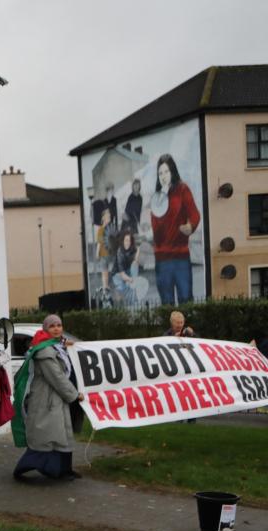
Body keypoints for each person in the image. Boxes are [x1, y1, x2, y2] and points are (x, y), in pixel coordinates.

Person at [13, 315, 84, 481]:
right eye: (52, 326)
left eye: (59, 325)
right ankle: (25, 468)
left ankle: (64, 470)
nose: (57, 328)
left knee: (62, 436)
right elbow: (57, 377)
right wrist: (74, 395)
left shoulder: (57, 346)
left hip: (57, 399)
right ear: (46, 329)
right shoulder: (44, 351)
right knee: (48, 438)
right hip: (47, 400)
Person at [149, 154, 200, 305]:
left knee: (186, 300)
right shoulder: (156, 198)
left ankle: (185, 330)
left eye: (166, 172)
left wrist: (190, 226)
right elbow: (157, 233)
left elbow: (195, 215)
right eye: (160, 173)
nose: (163, 176)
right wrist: (162, 200)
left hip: (181, 257)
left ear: (172, 172)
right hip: (162, 260)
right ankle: (171, 330)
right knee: (167, 303)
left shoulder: (183, 190)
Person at [164, 311, 196, 423]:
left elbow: (199, 345)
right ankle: (179, 419)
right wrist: (173, 339)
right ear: (172, 323)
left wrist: (193, 335)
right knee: (178, 396)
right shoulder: (166, 335)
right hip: (175, 371)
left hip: (188, 369)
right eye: (177, 323)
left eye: (182, 322)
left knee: (191, 395)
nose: (180, 325)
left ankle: (192, 420)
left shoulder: (188, 333)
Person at [111, 230, 140, 306]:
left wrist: (136, 259)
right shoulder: (120, 252)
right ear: (123, 241)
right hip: (118, 273)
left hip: (127, 270)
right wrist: (131, 280)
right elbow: (122, 275)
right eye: (126, 240)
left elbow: (138, 250)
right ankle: (118, 301)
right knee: (121, 288)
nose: (128, 242)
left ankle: (132, 301)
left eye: (130, 240)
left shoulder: (133, 249)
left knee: (130, 286)